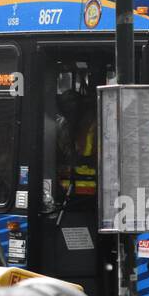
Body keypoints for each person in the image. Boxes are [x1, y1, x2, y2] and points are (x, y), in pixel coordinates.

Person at [56, 70, 98, 201]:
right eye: (66, 108)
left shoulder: (95, 126)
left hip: (90, 190)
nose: (69, 112)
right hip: (66, 190)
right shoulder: (63, 125)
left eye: (72, 107)